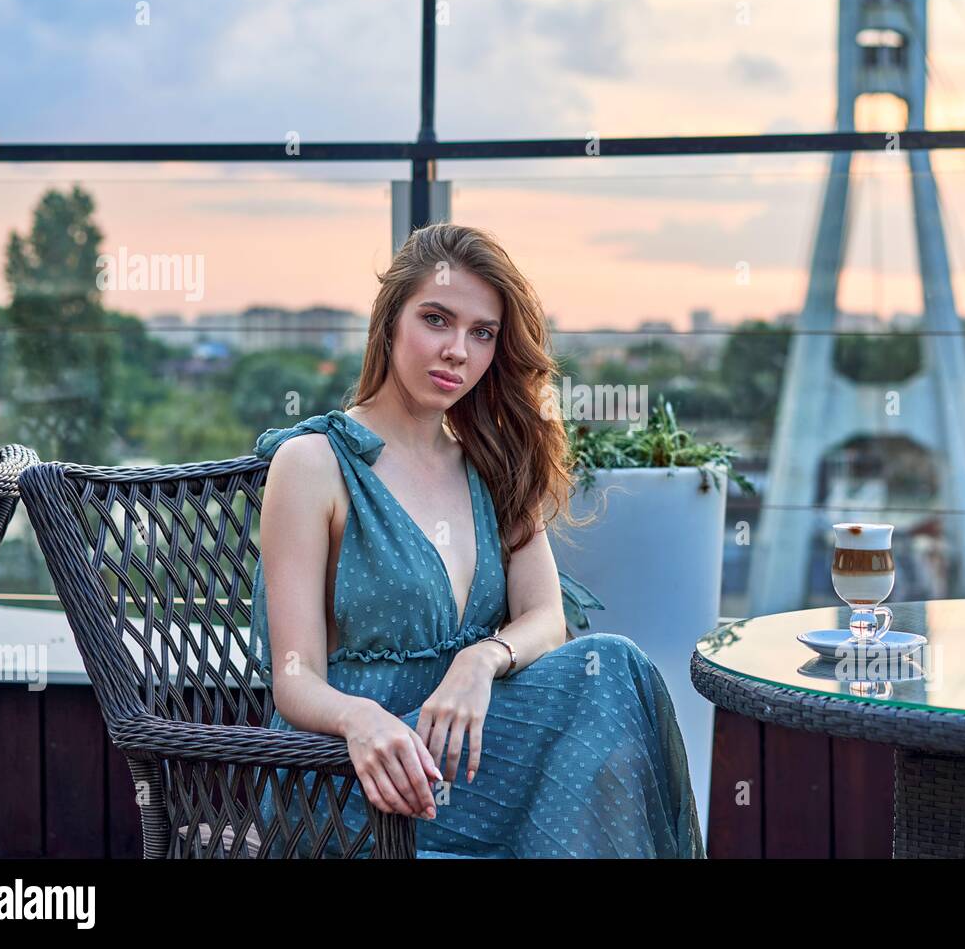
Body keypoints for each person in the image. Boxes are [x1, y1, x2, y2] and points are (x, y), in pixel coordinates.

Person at [248, 222, 706, 858]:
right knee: (605, 697)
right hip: (359, 778)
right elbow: (294, 679)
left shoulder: (491, 464)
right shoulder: (313, 463)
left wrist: (480, 661)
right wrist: (360, 720)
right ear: (389, 323)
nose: (457, 350)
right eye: (436, 319)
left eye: (481, 333)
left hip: (472, 758)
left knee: (612, 675)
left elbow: (546, 618)